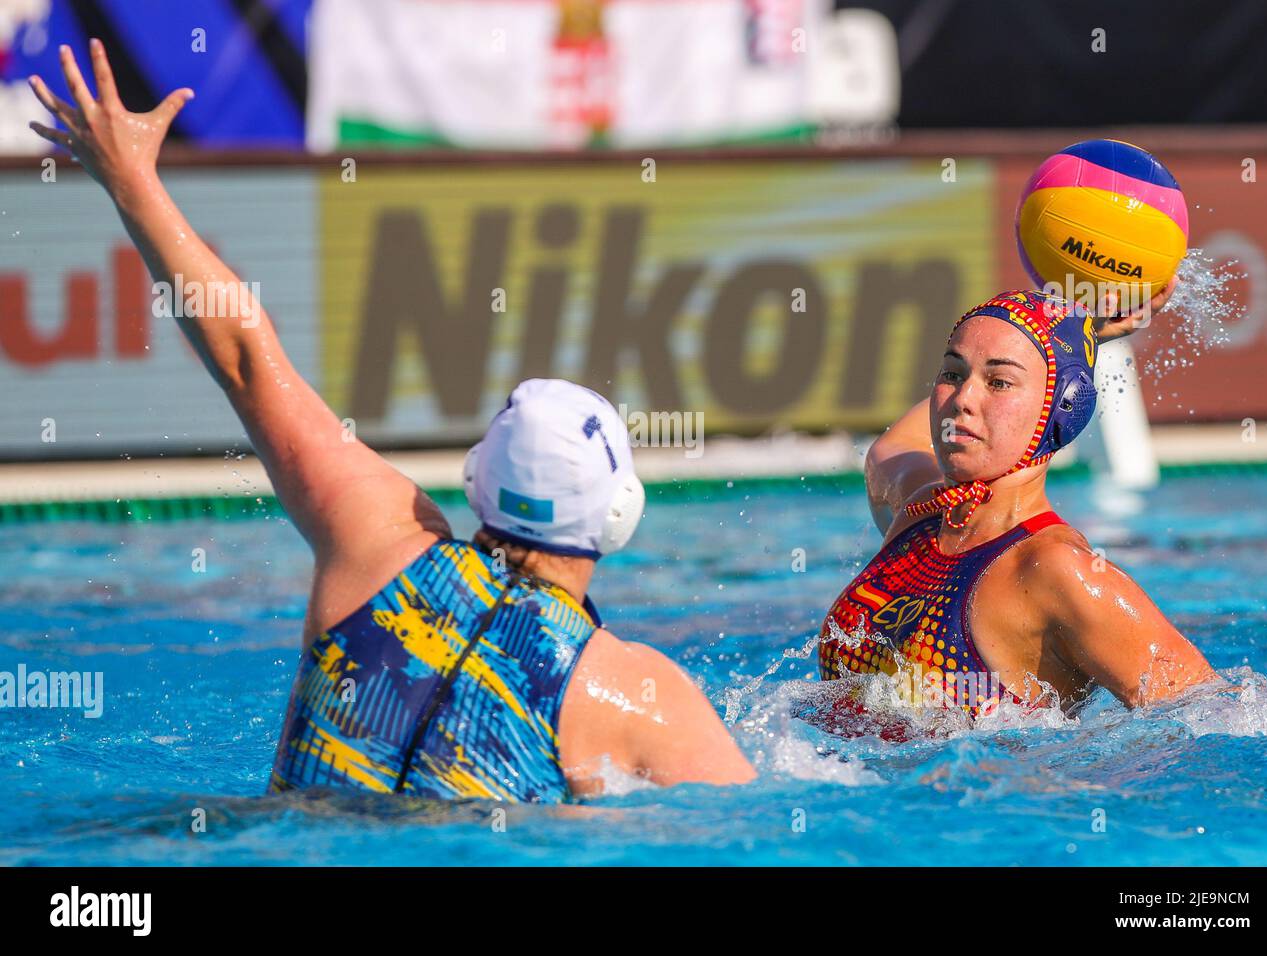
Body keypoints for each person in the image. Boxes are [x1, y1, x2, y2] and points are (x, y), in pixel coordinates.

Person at [28, 41, 754, 801]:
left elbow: (244, 352)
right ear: (619, 516)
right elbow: (756, 830)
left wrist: (133, 181)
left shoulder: (373, 536)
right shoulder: (637, 694)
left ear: (476, 479)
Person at [819, 285, 1221, 726]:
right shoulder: (921, 514)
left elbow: (1214, 719)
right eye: (953, 374)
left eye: (999, 382)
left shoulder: (1057, 570)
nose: (962, 401)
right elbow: (890, 450)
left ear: (1062, 407)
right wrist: (1081, 334)